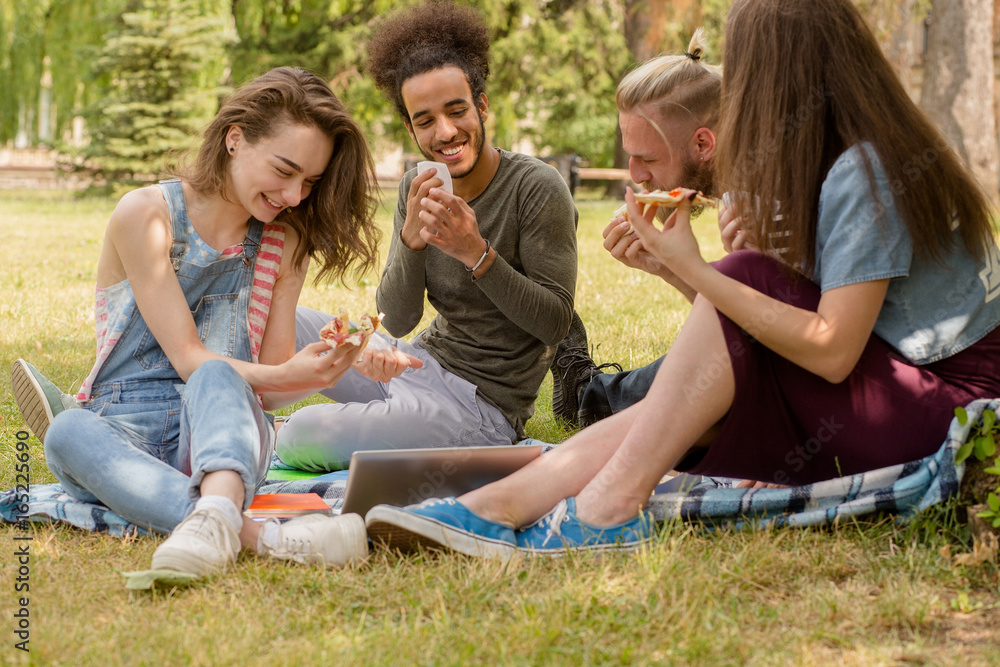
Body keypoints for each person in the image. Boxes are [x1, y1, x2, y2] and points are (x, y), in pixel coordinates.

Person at [364, 0, 1000, 557]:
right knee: (682, 391)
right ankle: (496, 505)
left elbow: (832, 352)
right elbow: (749, 339)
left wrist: (700, 266)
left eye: (745, 68)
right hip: (893, 385)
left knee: (738, 286)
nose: (735, 88)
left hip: (947, 411)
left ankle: (606, 510)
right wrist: (685, 272)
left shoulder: (866, 169)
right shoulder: (840, 160)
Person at [10, 67, 410, 577]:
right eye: (284, 171)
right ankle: (252, 533)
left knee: (218, 376)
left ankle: (214, 510)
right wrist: (292, 374)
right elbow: (187, 357)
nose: (294, 196)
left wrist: (321, 370)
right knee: (66, 432)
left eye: (309, 182)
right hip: (128, 434)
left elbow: (267, 392)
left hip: (225, 443)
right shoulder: (146, 216)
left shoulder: (282, 244)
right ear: (235, 139)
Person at [274, 2, 578, 472]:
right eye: (425, 120)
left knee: (300, 433)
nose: (446, 132)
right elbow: (395, 319)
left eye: (457, 111)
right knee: (285, 321)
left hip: (479, 408)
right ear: (410, 126)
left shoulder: (535, 188)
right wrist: (411, 242)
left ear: (481, 104)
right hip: (414, 362)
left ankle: (370, 425)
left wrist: (475, 253)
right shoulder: (418, 185)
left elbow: (555, 324)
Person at [551, 29, 725, 427]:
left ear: (703, 144)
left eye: (647, 158)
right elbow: (739, 319)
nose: (635, 175)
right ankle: (593, 394)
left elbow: (754, 335)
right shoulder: (734, 191)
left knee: (704, 363)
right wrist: (664, 264)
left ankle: (593, 397)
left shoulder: (761, 200)